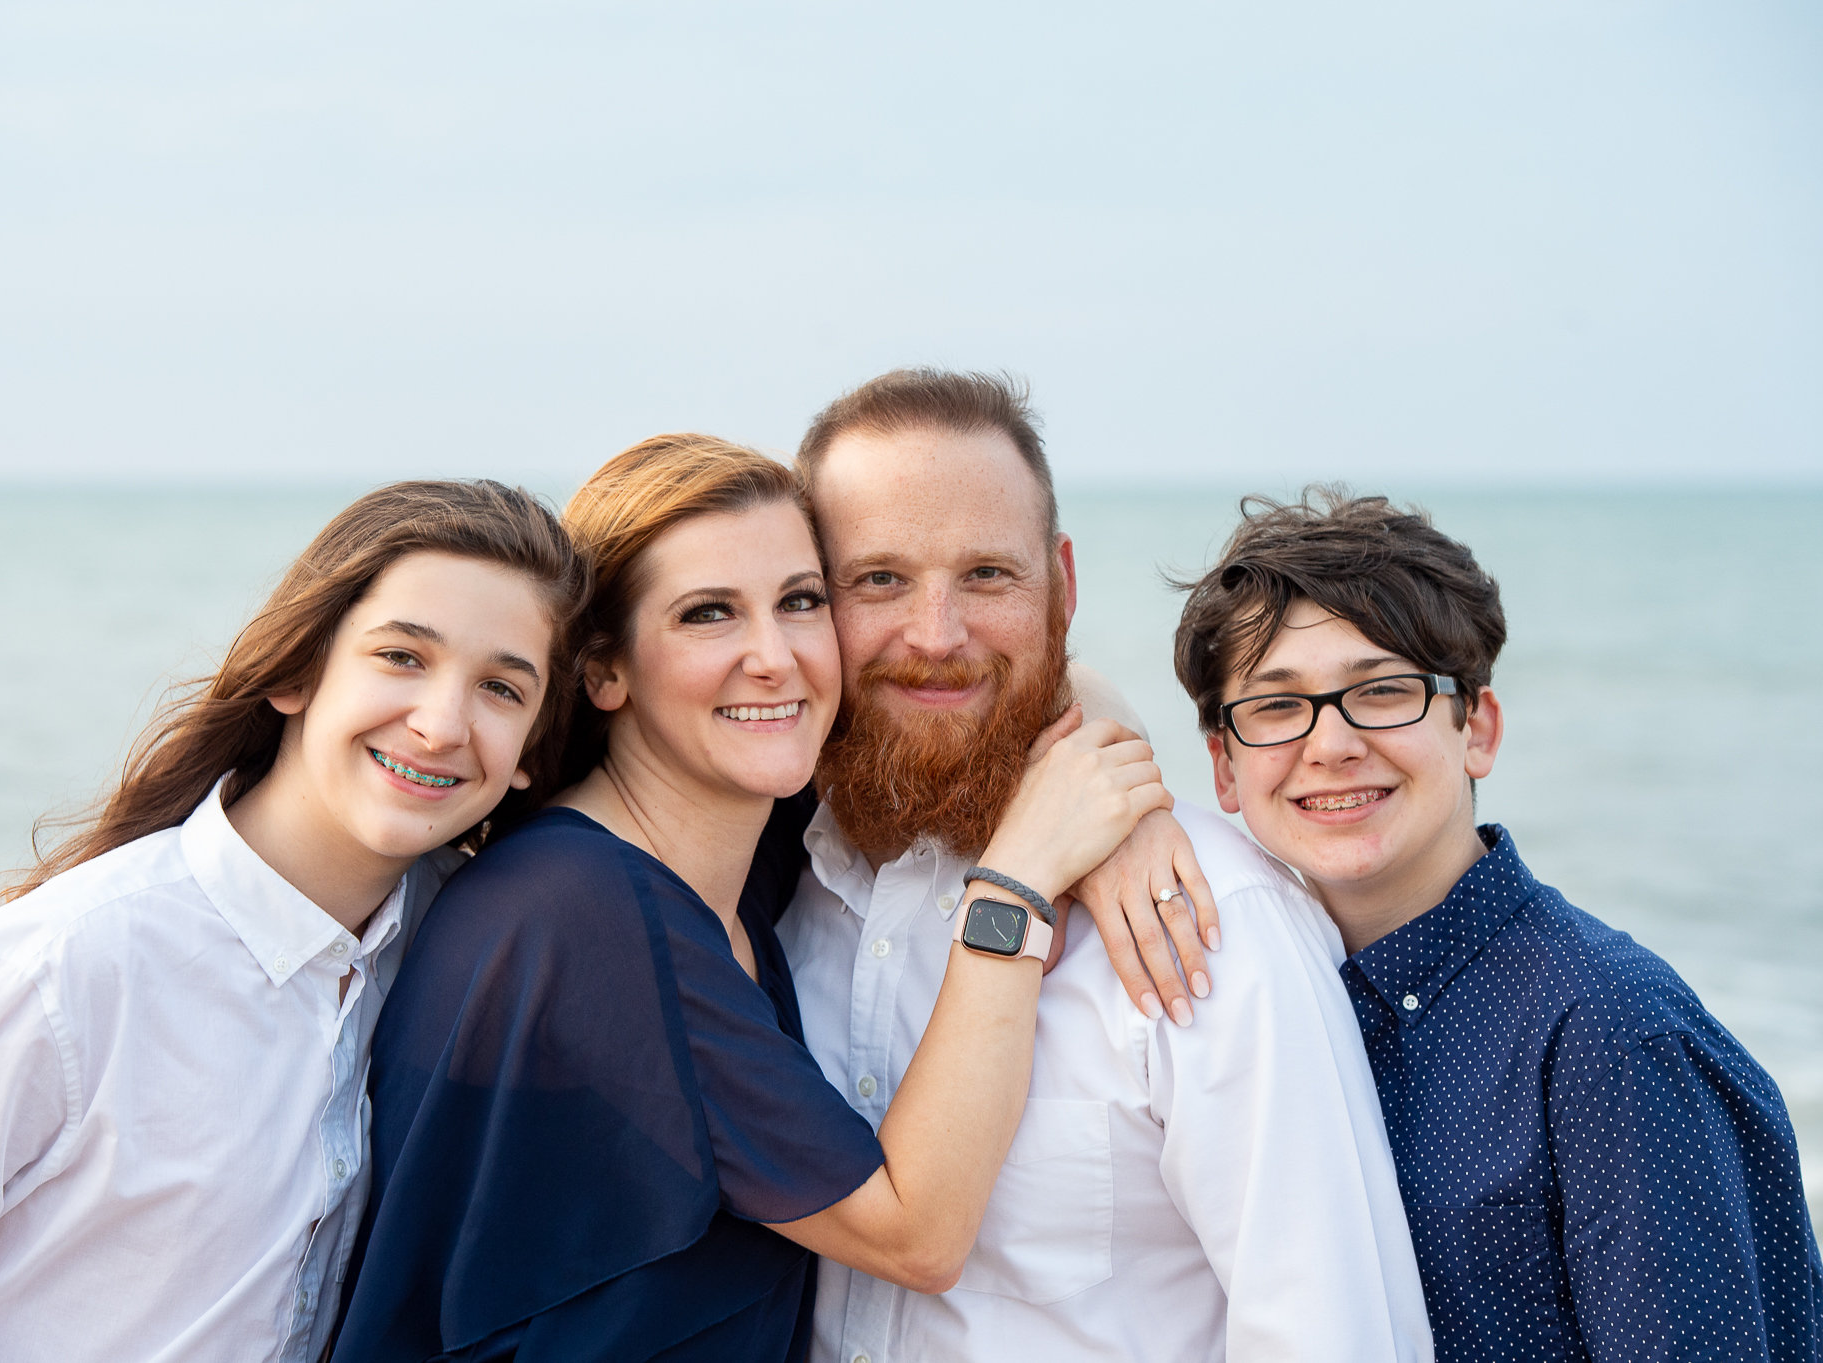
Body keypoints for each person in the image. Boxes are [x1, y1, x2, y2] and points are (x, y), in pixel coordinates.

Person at [328, 435, 1161, 1363]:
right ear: (603, 669)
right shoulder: (589, 914)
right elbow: (916, 1231)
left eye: (801, 601)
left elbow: (978, 683)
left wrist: (1116, 775)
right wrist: (1017, 884)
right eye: (708, 614)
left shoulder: (731, 843)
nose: (773, 657)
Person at [0, 481, 589, 1363]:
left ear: (528, 756)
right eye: (400, 657)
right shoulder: (53, 973)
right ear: (295, 672)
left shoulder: (462, 957)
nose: (440, 724)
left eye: (502, 688)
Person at [775, 369, 1435, 1361]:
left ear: (1063, 589)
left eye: (988, 576)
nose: (934, 636)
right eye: (878, 579)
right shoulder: (765, 884)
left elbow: (1328, 1331)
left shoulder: (1215, 921)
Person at [1174, 488, 1823, 1362]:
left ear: (1476, 727)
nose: (1329, 745)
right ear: (1224, 765)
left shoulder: (1612, 1032)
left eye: (1383, 689)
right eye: (1277, 706)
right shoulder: (1257, 999)